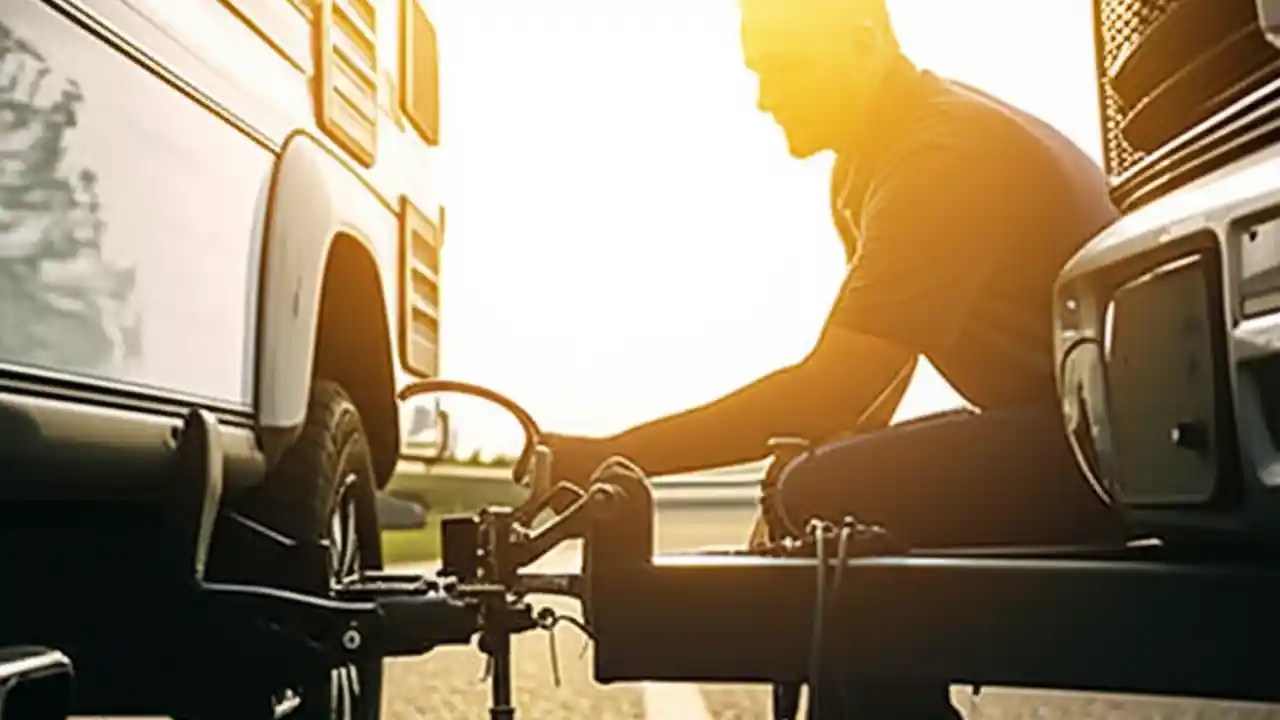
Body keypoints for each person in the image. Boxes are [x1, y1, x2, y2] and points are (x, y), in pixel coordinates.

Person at [546, 0, 1128, 715]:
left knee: (827, 498)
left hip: (1114, 451)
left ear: (864, 42)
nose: (764, 97)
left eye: (783, 68)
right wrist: (794, 474)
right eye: (756, 73)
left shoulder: (937, 154)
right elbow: (876, 369)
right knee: (818, 491)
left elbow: (828, 391)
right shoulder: (870, 158)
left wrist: (609, 455)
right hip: (1078, 431)